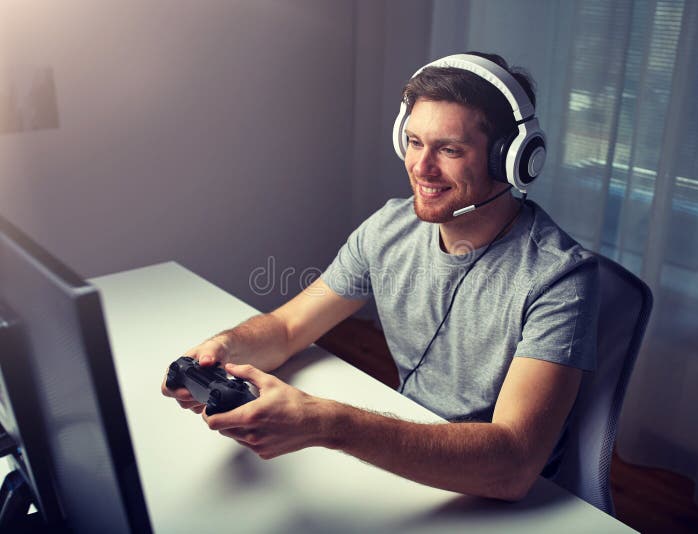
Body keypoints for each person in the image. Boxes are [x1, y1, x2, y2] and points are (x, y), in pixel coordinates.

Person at [162, 52, 598, 502]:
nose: (421, 168)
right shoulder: (390, 227)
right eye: (413, 141)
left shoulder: (560, 278)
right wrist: (224, 347)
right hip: (404, 453)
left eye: (449, 149)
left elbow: (512, 465)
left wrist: (328, 424)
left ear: (512, 160)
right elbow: (290, 327)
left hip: (491, 495)